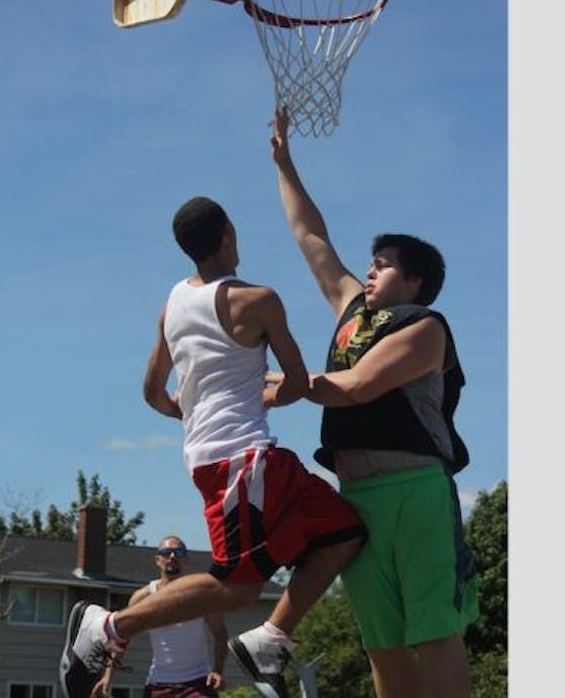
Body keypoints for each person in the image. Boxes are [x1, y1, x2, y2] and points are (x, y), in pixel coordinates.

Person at [60, 196, 367, 698]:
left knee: (344, 531)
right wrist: (260, 395)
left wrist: (197, 412)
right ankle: (109, 626)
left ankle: (271, 637)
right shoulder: (258, 300)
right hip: (241, 460)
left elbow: (154, 393)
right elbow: (293, 384)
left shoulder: (173, 304)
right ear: (229, 232)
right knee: (235, 586)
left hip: (230, 458)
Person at [265, 107, 480, 698]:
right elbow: (310, 237)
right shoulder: (351, 308)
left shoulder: (425, 327)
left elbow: (355, 386)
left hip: (414, 488)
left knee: (434, 630)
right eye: (372, 261)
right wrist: (284, 162)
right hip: (357, 495)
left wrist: (281, 381)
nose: (369, 269)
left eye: (384, 265)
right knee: (381, 639)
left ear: (413, 283)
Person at [92, 536, 227, 698]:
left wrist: (218, 670)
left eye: (178, 552)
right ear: (157, 560)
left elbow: (220, 635)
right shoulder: (143, 597)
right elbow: (121, 638)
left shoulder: (201, 595)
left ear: (186, 559)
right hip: (159, 683)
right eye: (166, 552)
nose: (172, 557)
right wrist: (107, 677)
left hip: (198, 682)